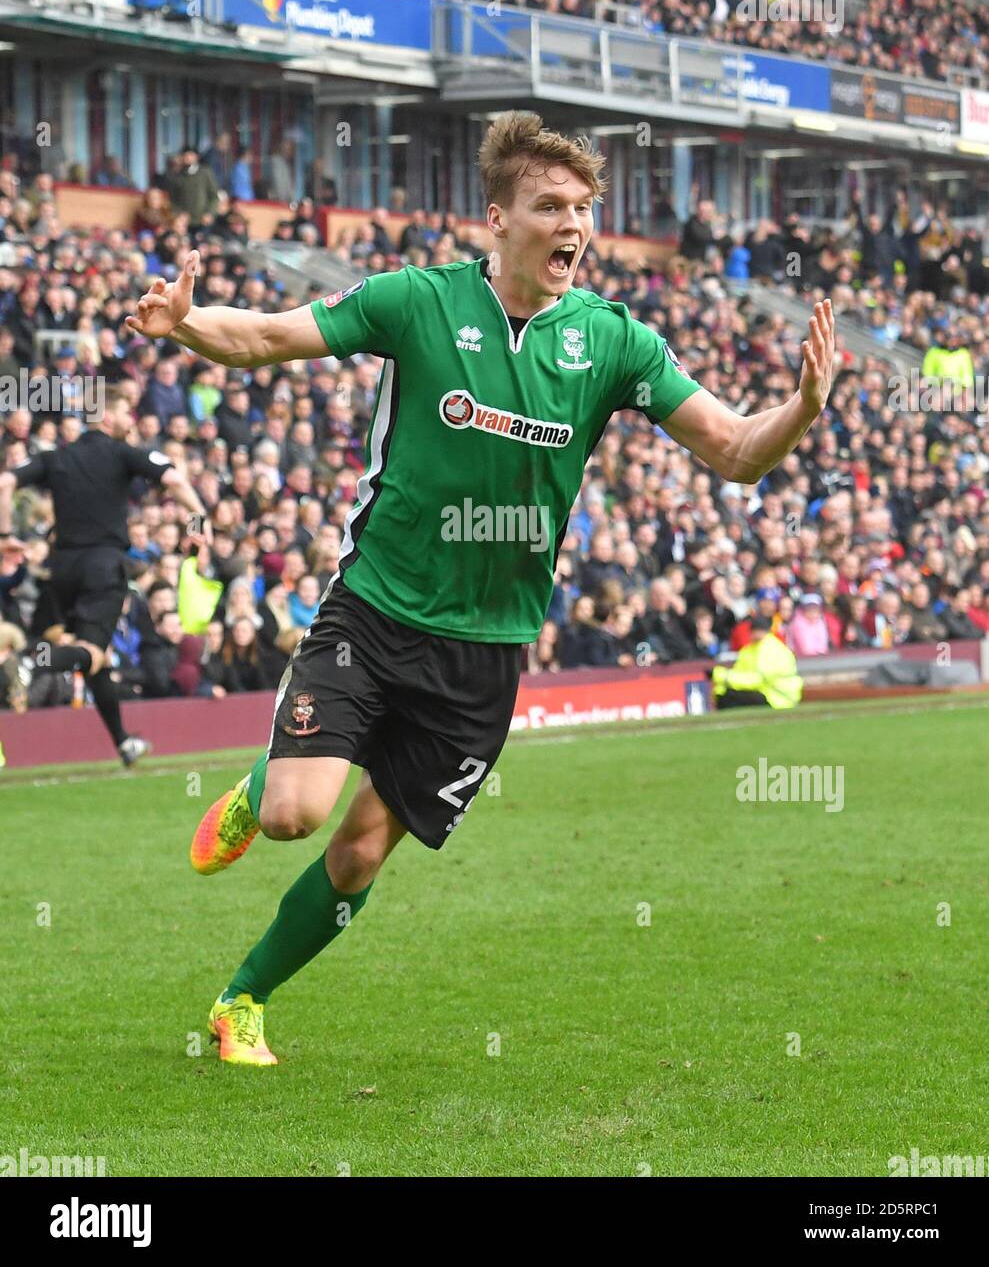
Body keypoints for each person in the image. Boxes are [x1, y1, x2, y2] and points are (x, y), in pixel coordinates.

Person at [126, 109, 836, 1066]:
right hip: (374, 608)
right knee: (299, 814)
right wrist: (187, 327)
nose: (572, 226)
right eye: (549, 206)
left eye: (583, 207)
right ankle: (262, 787)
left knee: (363, 852)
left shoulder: (614, 343)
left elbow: (736, 452)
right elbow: (265, 336)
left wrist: (798, 408)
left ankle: (239, 1000)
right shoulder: (414, 301)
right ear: (496, 220)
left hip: (486, 649)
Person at [0, 386, 205, 764]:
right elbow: (175, 481)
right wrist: (197, 521)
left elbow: (5, 482)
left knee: (90, 659)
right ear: (108, 416)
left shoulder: (56, 457)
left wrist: (5, 535)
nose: (132, 422)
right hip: (102, 568)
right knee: (92, 653)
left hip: (59, 571)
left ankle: (123, 741)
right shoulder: (123, 453)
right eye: (127, 412)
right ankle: (30, 663)